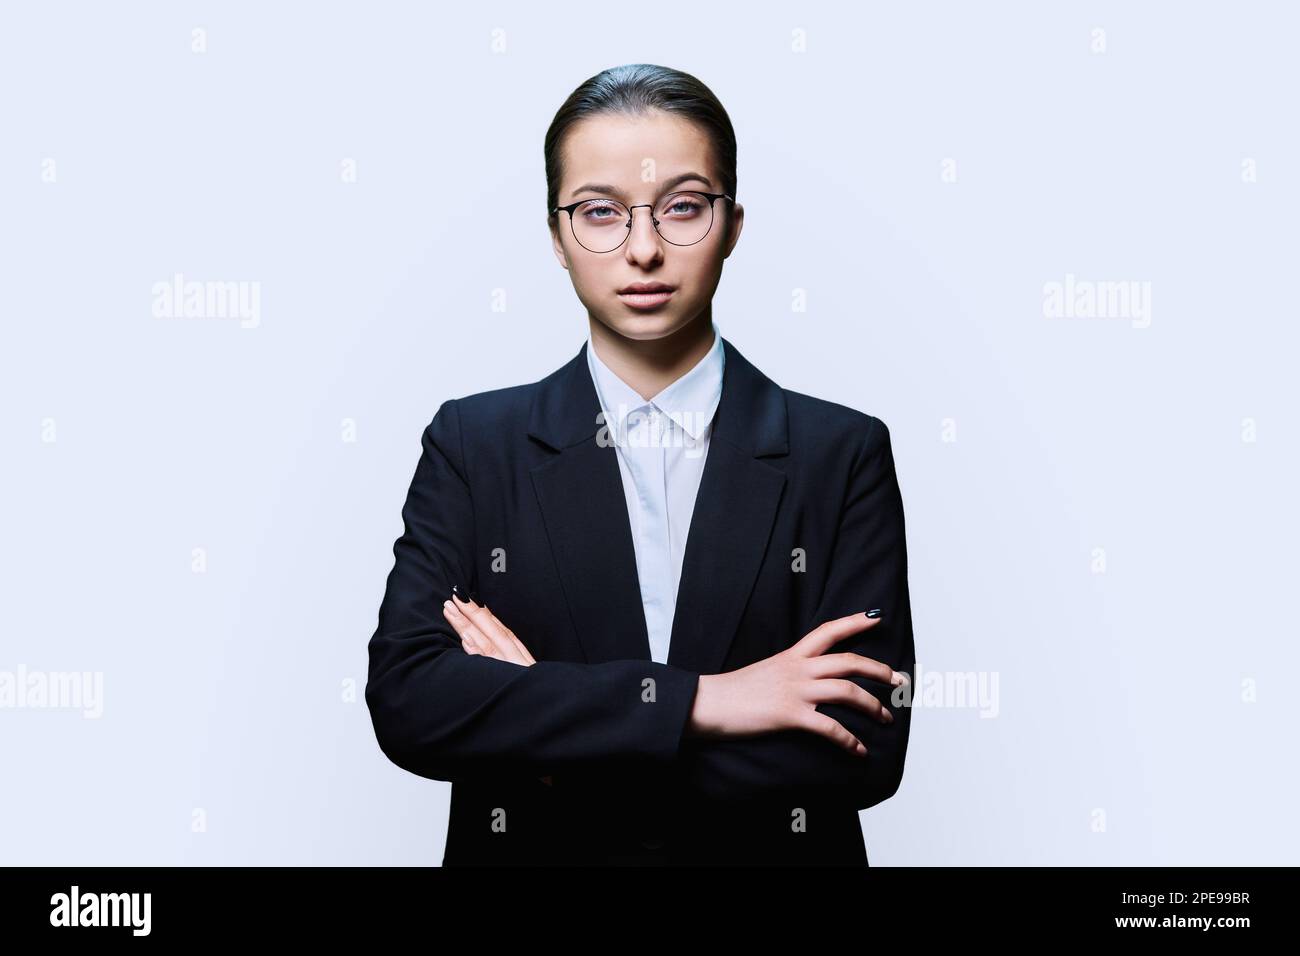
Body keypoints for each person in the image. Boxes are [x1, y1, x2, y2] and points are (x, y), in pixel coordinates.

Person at [365, 63, 915, 866]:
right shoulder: (473, 445)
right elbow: (410, 701)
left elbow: (865, 745)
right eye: (600, 213)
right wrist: (710, 702)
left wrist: (544, 738)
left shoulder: (841, 452)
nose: (645, 249)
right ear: (557, 237)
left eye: (683, 207)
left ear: (732, 225)